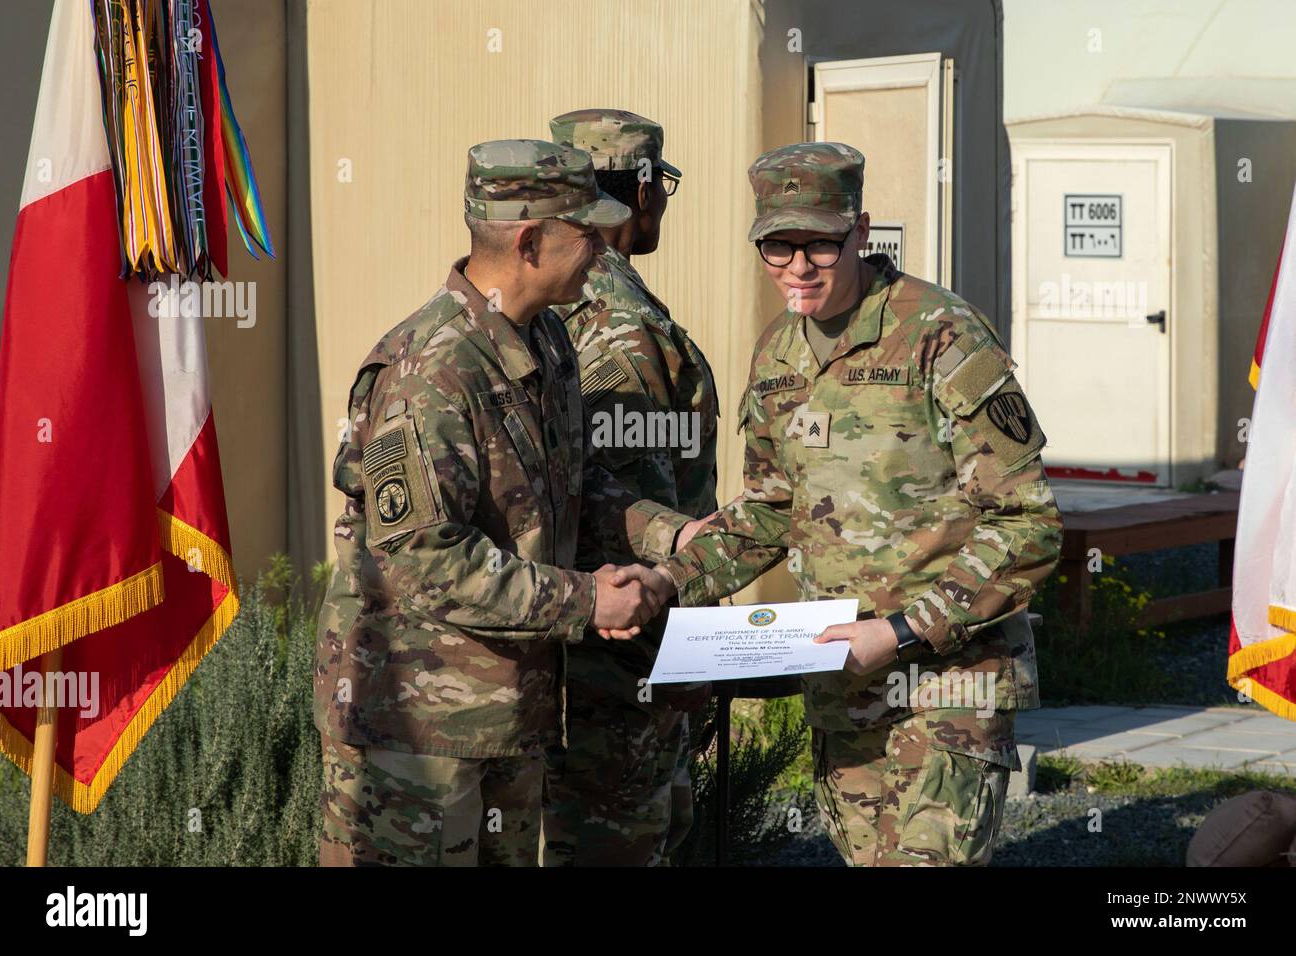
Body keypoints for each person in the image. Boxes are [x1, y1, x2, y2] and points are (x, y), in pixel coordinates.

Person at [616, 141, 1063, 866]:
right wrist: (671, 580)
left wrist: (903, 631)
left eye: (819, 244)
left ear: (859, 231)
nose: (798, 266)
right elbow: (768, 512)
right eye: (777, 247)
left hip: (947, 685)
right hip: (842, 693)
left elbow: (1028, 524)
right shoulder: (777, 356)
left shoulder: (941, 335)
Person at [314, 139, 699, 867]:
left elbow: (574, 491)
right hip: (417, 739)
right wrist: (587, 603)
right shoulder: (430, 371)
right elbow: (425, 561)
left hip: (508, 719)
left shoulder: (547, 340)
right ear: (529, 242)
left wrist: (671, 538)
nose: (602, 251)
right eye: (587, 232)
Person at [542, 109, 765, 866]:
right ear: (640, 191)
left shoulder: (559, 305)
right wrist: (678, 659)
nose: (661, 202)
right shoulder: (619, 324)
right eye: (660, 185)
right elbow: (629, 521)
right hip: (623, 668)